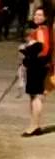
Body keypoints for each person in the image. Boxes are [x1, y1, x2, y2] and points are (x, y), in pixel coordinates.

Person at [21, 7, 50, 137]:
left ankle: (34, 126)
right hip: (39, 65)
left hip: (38, 66)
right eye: (35, 14)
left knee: (36, 96)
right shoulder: (43, 30)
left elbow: (42, 49)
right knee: (34, 96)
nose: (37, 17)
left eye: (40, 15)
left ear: (45, 17)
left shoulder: (41, 31)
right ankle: (35, 125)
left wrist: (28, 55)